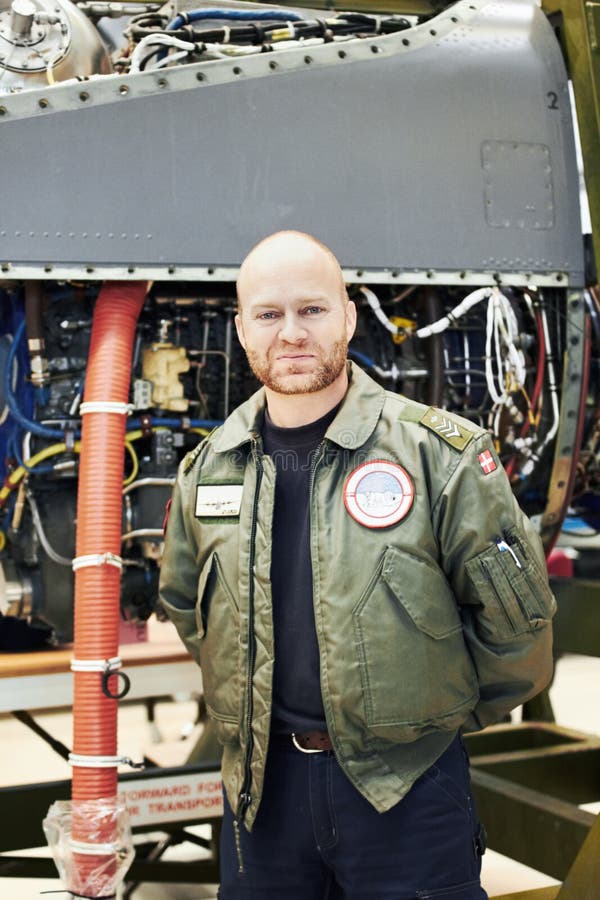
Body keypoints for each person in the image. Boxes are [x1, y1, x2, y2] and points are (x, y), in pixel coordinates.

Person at [159, 230, 556, 899]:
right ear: (242, 331)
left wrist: (426, 722)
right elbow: (188, 612)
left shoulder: (439, 456)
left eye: (312, 310)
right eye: (268, 314)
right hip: (262, 795)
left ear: (347, 316)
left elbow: (516, 632)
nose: (291, 333)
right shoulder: (208, 470)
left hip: (408, 791)